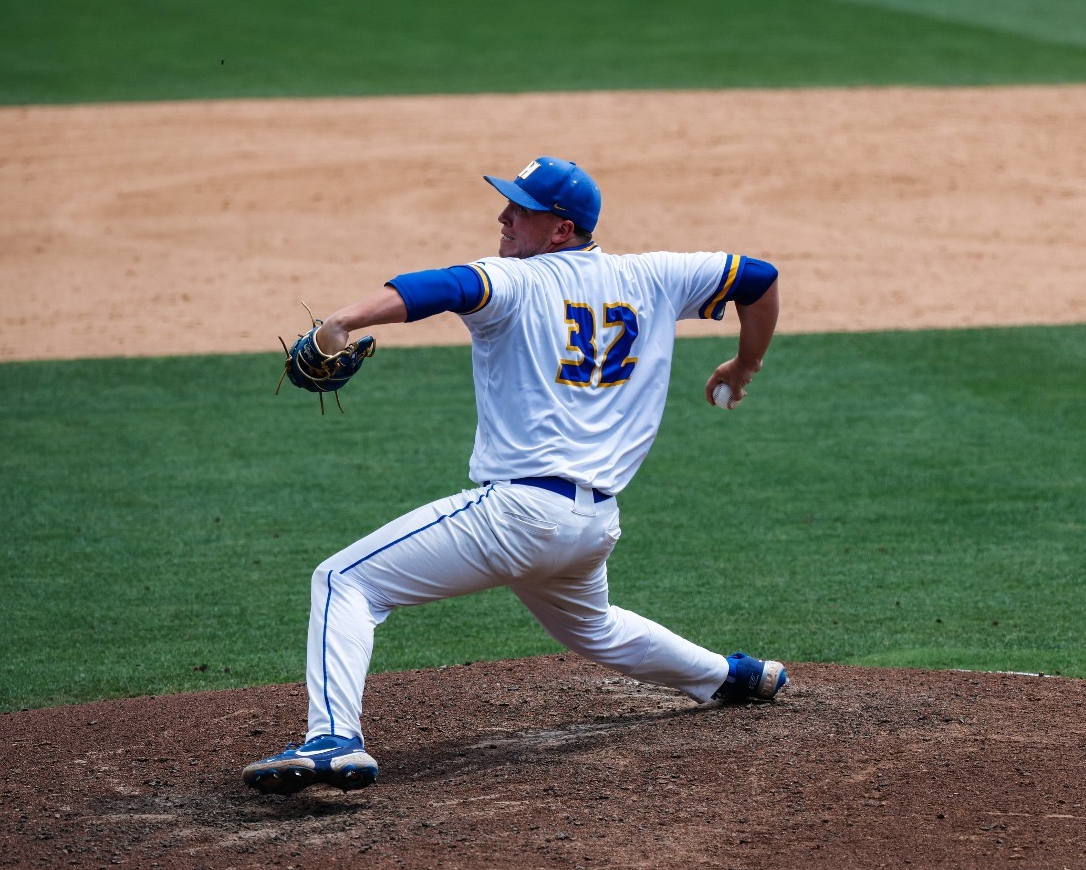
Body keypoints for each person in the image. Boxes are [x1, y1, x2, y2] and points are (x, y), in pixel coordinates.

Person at [244, 157, 788, 794]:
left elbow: (438, 287)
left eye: (520, 209)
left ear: (560, 229)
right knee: (598, 629)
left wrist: (342, 323)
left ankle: (333, 739)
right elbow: (758, 277)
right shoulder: (655, 276)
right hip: (592, 525)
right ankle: (734, 676)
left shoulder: (513, 282)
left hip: (520, 516)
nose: (503, 217)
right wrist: (744, 365)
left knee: (343, 581)